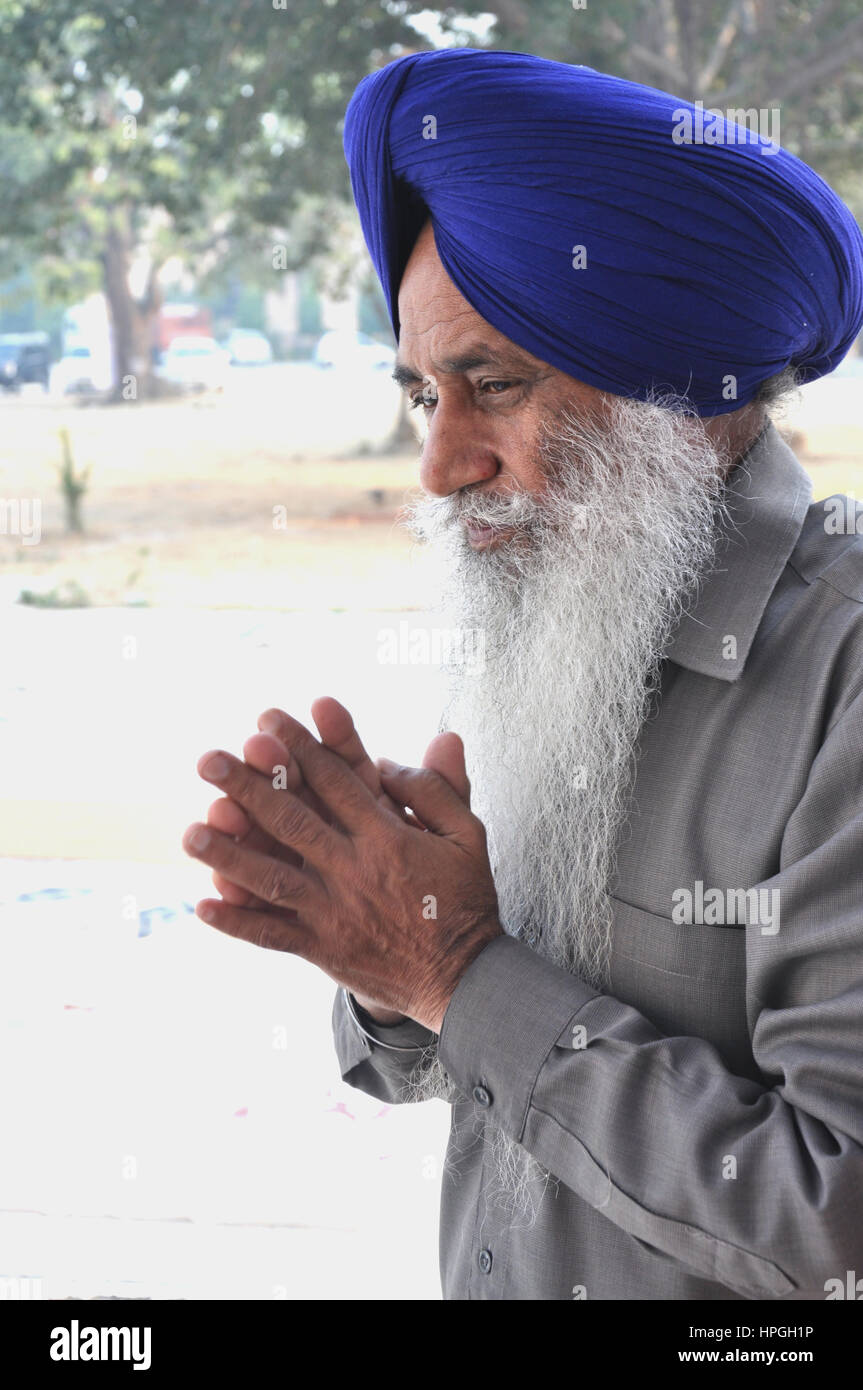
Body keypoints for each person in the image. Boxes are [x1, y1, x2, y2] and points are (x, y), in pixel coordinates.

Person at [183, 50, 863, 1300]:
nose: (440, 464)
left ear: (686, 394)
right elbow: (443, 1053)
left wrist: (454, 972)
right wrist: (383, 950)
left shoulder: (844, 678)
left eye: (492, 385)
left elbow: (834, 1230)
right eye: (418, 395)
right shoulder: (565, 601)